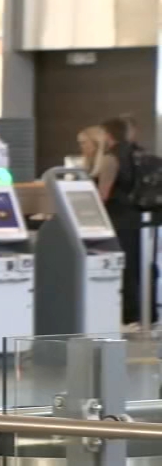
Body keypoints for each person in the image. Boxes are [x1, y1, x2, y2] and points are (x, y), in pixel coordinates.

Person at [98, 116, 151, 328]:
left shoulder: (110, 157)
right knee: (137, 266)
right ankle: (144, 314)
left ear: (108, 135)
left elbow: (103, 193)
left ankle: (128, 316)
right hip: (138, 216)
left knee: (122, 268)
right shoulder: (138, 152)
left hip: (117, 218)